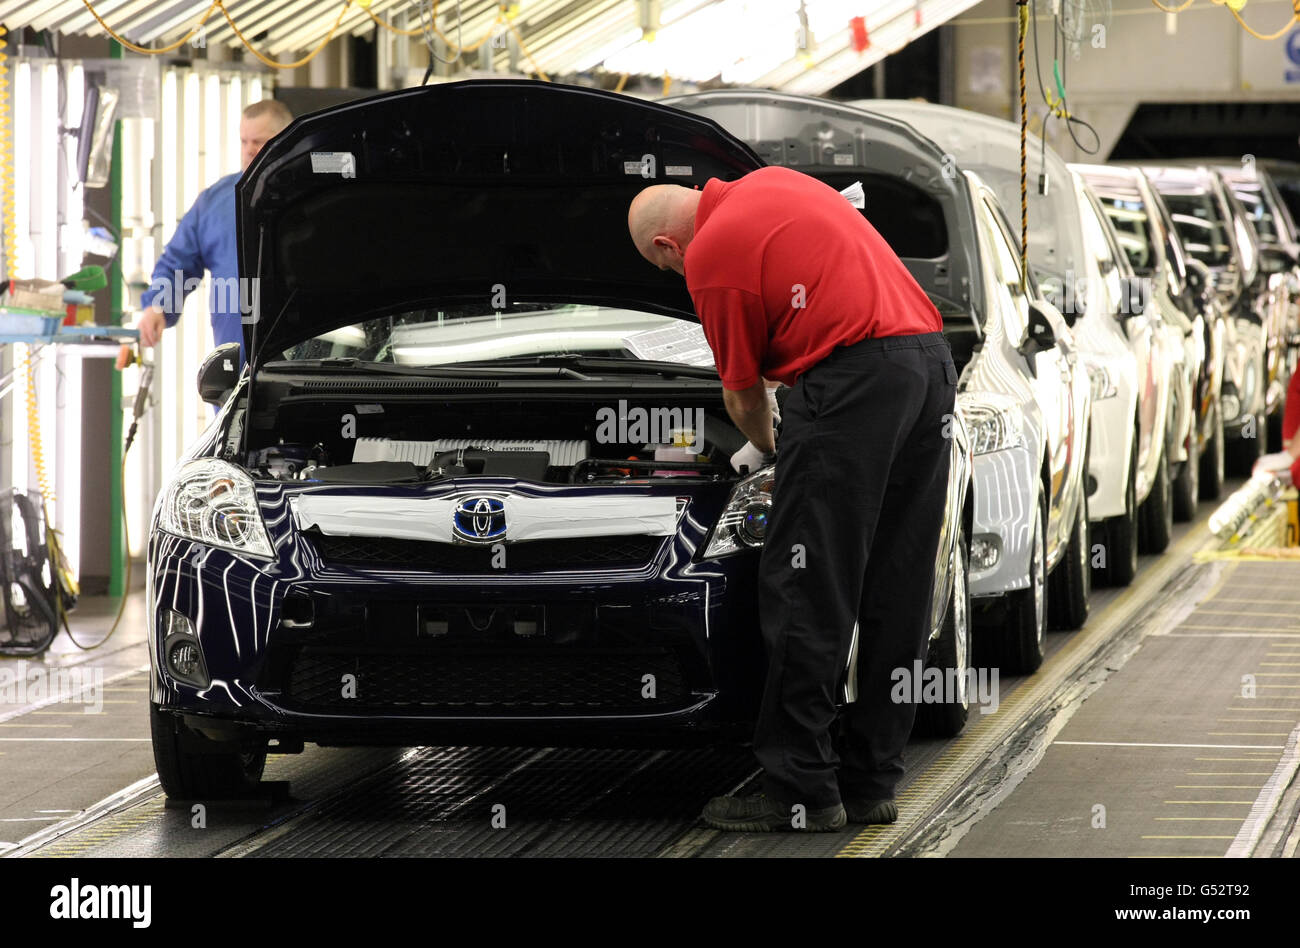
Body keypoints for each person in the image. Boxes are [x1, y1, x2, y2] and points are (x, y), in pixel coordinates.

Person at [627, 166, 956, 832]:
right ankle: (870, 782)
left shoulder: (711, 255)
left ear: (667, 246)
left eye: (665, 270)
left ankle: (799, 790)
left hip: (852, 382)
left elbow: (742, 395)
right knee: (897, 580)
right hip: (926, 366)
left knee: (808, 583)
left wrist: (772, 449)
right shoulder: (775, 183)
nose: (675, 277)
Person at [116, 99, 293, 371]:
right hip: (236, 359)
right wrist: (157, 307)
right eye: (244, 141)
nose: (249, 151)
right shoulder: (215, 202)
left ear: (285, 140)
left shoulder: (314, 196)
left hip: (308, 350)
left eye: (259, 141)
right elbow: (178, 262)